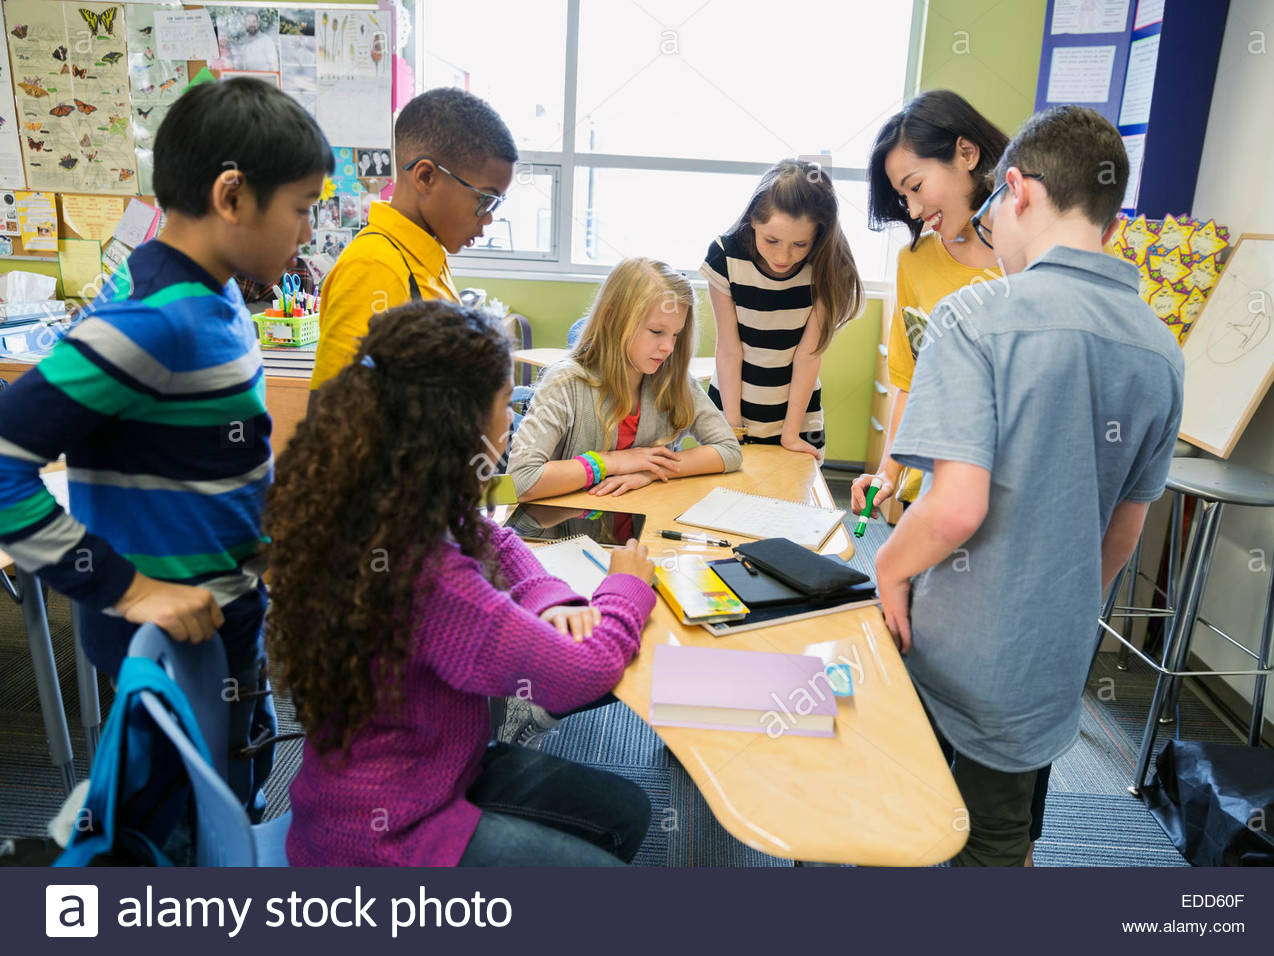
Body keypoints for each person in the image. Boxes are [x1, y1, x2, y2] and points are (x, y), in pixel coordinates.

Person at [0, 77, 334, 814]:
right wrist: (130, 588)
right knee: (180, 838)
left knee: (232, 796)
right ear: (232, 196)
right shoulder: (155, 321)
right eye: (302, 210)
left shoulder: (217, 295)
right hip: (167, 641)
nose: (308, 232)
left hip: (227, 617)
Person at [872, 105, 1183, 866]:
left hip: (950, 654)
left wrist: (888, 568)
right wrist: (1064, 607)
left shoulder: (974, 318)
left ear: (1015, 192)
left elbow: (955, 506)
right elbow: (1123, 533)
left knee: (891, 817)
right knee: (999, 841)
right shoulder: (1162, 351)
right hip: (1048, 663)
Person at [268, 300, 658, 866]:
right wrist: (626, 589)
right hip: (386, 840)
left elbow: (492, 538)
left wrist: (551, 599)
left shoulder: (386, 493)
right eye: (506, 406)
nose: (513, 422)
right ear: (466, 423)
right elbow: (581, 676)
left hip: (433, 773)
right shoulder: (432, 578)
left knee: (626, 814)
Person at [852, 90, 1008, 518]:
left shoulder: (1032, 255)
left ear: (967, 153)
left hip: (1012, 491)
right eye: (904, 197)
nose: (915, 209)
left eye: (916, 186)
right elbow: (910, 384)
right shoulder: (915, 263)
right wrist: (886, 474)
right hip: (933, 493)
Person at [309, 87, 516, 394]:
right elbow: (335, 415)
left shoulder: (426, 254)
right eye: (485, 200)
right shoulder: (375, 267)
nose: (488, 219)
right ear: (426, 177)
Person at [508, 258, 742, 501]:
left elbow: (729, 450)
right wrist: (609, 462)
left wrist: (650, 470)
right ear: (611, 319)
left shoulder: (673, 379)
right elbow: (519, 481)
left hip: (643, 521)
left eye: (676, 334)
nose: (669, 347)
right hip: (571, 530)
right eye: (656, 332)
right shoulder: (564, 384)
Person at [701, 159, 863, 461]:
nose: (783, 256)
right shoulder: (725, 256)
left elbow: (807, 356)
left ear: (819, 235)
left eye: (800, 244)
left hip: (799, 415)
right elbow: (729, 350)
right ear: (753, 220)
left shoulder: (828, 266)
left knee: (793, 502)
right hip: (729, 406)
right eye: (771, 240)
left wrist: (789, 435)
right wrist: (733, 429)